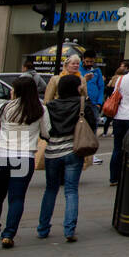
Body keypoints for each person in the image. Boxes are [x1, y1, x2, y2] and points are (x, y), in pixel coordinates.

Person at [0, 76, 48, 248]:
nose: (11, 91)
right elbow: (46, 132)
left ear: (18, 91)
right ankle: (9, 234)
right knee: (17, 197)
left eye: (13, 88)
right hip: (24, 156)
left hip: (1, 155)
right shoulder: (40, 108)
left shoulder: (4, 107)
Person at [36, 74, 98, 242]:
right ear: (77, 87)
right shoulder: (82, 104)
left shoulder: (51, 106)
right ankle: (69, 229)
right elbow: (93, 124)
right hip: (73, 150)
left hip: (52, 151)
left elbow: (45, 130)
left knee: (50, 190)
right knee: (71, 190)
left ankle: (43, 228)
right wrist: (85, 95)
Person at [80, 51, 106, 133]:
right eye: (87, 61)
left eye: (91, 61)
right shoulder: (78, 69)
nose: (89, 63)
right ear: (83, 59)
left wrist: (99, 103)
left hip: (94, 104)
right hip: (81, 102)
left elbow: (101, 87)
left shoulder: (97, 70)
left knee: (93, 126)